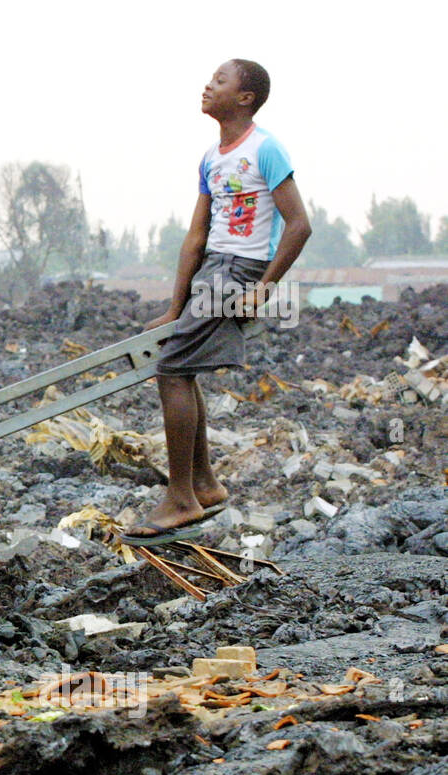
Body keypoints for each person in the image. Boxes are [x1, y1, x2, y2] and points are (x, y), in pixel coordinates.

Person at [127, 58, 311, 542]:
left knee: (171, 371)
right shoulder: (211, 157)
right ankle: (204, 485)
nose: (208, 86)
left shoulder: (265, 149)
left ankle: (181, 497)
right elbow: (196, 235)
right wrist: (173, 308)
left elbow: (299, 224)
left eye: (220, 80)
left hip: (240, 270)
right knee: (179, 367)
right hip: (214, 269)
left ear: (245, 97)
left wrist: (262, 287)